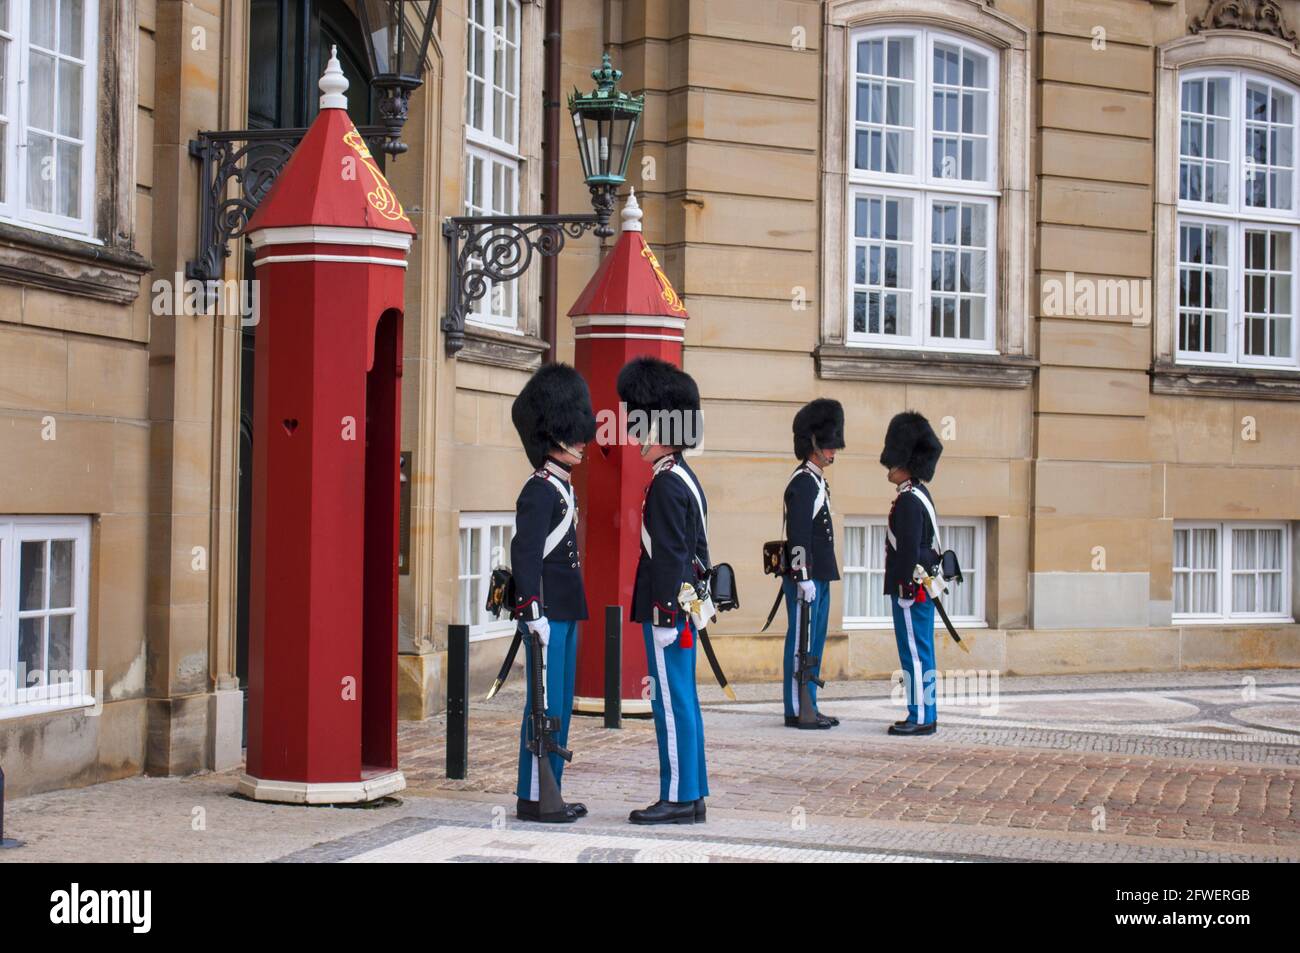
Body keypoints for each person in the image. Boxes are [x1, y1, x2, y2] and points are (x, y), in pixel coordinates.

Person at [617, 356, 710, 825]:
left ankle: (676, 796)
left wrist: (667, 614)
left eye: (643, 427)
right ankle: (691, 793)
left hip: (668, 612)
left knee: (671, 704)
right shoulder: (682, 478)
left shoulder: (668, 485)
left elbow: (672, 555)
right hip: (681, 608)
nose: (637, 436)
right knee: (682, 698)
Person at [509, 363, 597, 822]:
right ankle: (533, 795)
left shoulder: (561, 487)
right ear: (554, 434)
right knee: (541, 705)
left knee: (559, 703)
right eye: (575, 433)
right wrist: (532, 613)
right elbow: (524, 555)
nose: (583, 440)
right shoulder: (540, 490)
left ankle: (553, 791)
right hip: (546, 615)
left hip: (565, 609)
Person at [880, 411, 945, 736]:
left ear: (906, 461)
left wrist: (904, 586)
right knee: (923, 652)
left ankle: (919, 716)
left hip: (911, 589)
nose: (888, 468)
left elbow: (907, 549)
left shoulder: (907, 500)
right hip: (920, 586)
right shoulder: (918, 494)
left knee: (914, 655)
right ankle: (926, 713)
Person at [782, 398, 845, 729]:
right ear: (814, 445)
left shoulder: (817, 479)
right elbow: (799, 534)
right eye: (829, 445)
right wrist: (802, 575)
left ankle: (811, 703)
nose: (833, 451)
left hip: (818, 574)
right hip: (806, 577)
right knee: (800, 643)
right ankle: (796, 708)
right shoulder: (803, 482)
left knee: (814, 642)